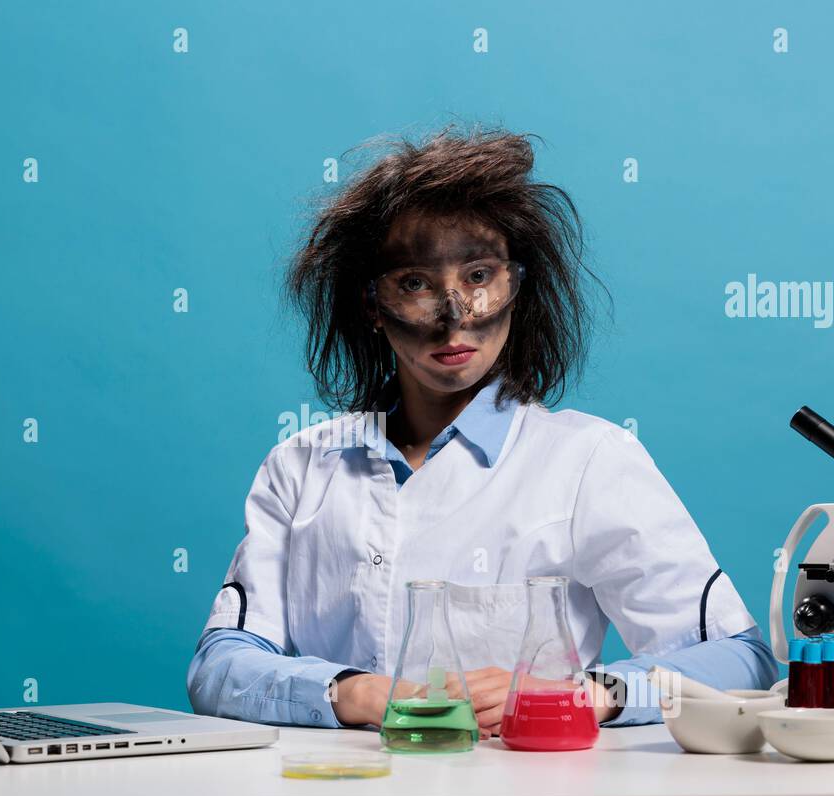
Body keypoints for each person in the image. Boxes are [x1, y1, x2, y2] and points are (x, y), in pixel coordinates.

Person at [187, 125, 776, 735]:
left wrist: (585, 696)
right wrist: (351, 693)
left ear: (517, 288)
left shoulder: (590, 460)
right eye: (415, 283)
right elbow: (220, 666)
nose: (454, 317)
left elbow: (739, 662)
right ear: (370, 305)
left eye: (478, 276)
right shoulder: (301, 467)